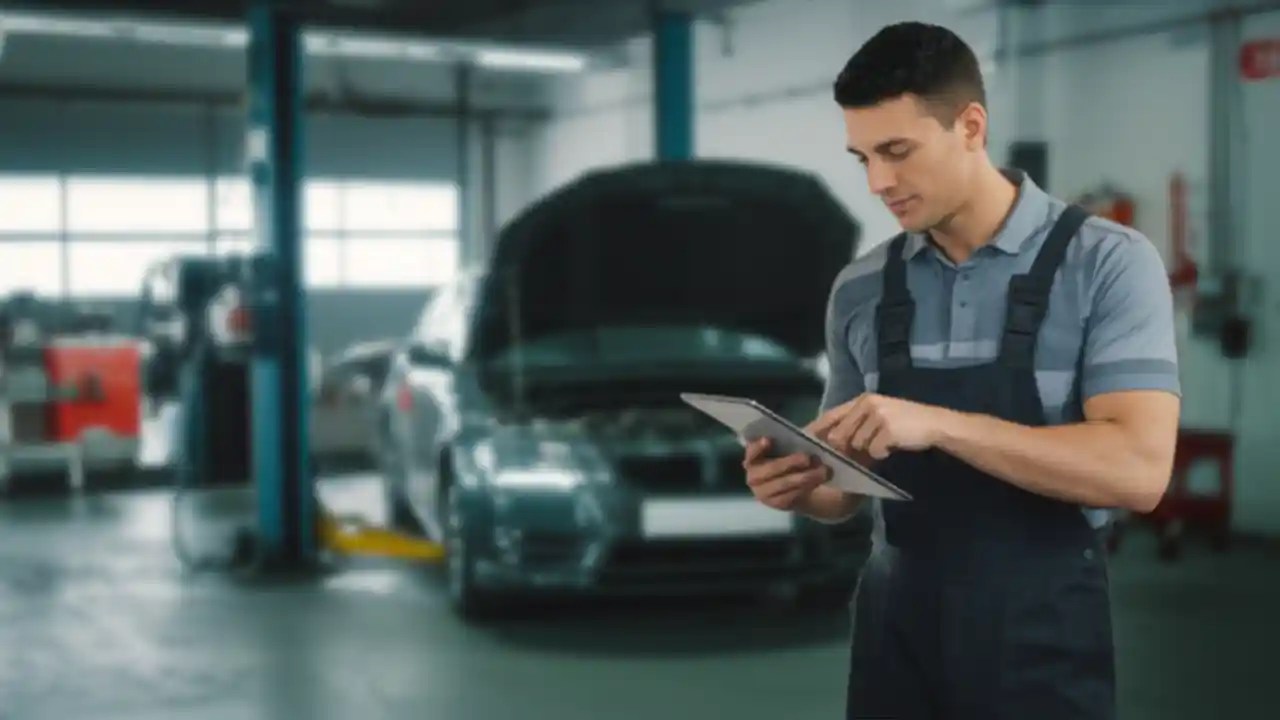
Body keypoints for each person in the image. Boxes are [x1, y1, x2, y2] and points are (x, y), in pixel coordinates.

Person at [742, 21, 1181, 720]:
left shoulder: (1107, 263)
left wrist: (939, 425)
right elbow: (843, 490)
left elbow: (1137, 471)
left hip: (1040, 624)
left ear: (970, 125)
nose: (879, 182)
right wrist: (800, 486)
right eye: (862, 158)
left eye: (897, 151)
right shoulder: (860, 288)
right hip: (895, 621)